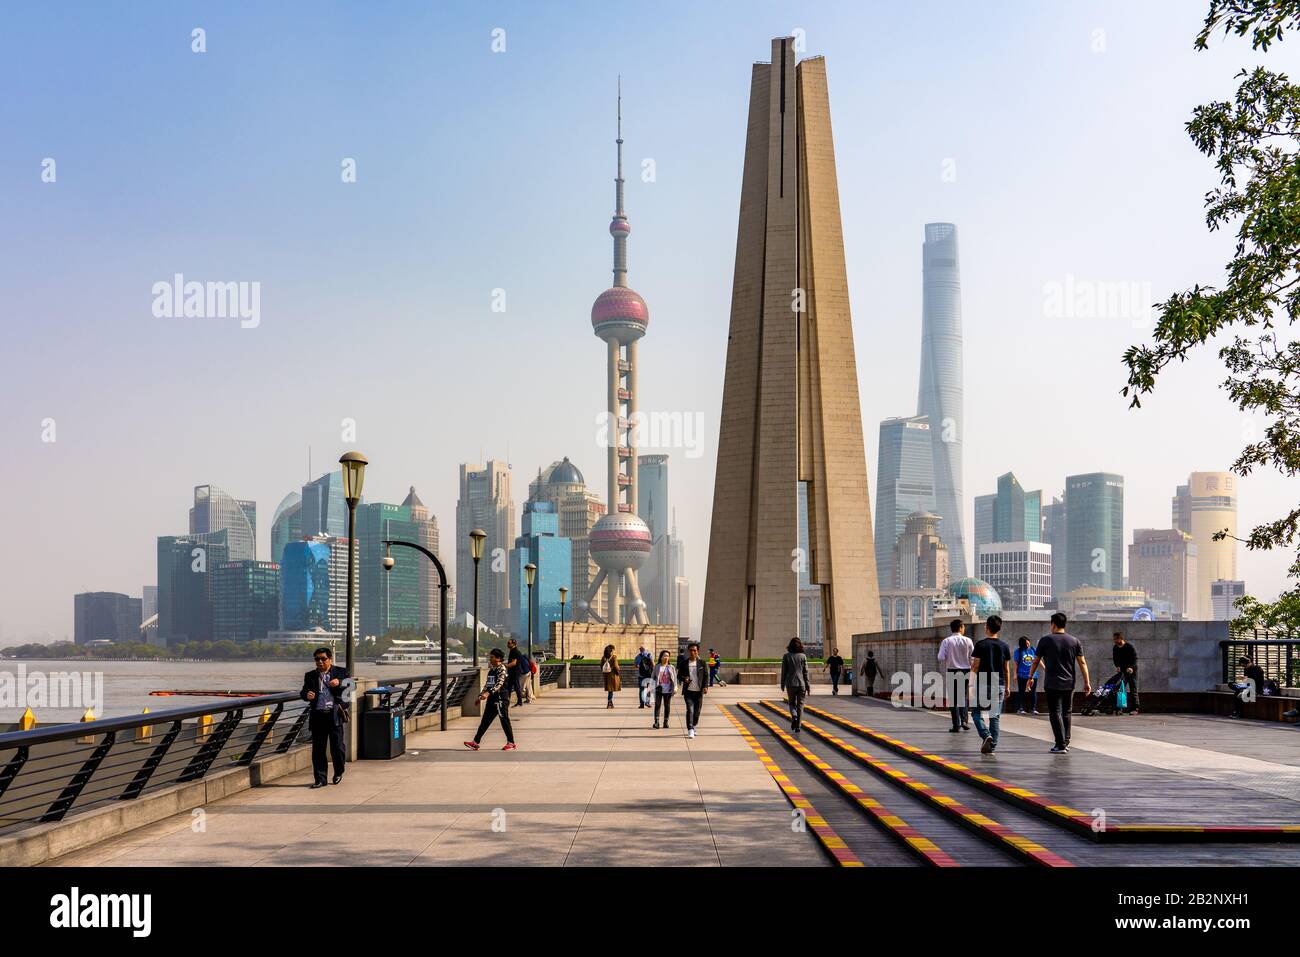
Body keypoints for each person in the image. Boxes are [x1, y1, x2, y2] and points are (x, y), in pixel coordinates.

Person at [1027, 612, 1092, 753]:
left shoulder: (1045, 640)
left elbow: (1036, 661)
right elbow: (1082, 662)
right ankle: (1066, 741)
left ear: (1053, 624)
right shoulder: (1075, 641)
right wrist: (1087, 682)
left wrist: (1030, 677)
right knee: (1067, 712)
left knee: (1054, 712)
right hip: (1069, 683)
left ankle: (1060, 744)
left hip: (1052, 683)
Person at [300, 647, 350, 788]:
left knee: (338, 747)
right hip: (318, 717)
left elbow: (351, 688)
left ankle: (339, 771)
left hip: (334, 716)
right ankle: (320, 779)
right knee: (318, 750)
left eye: (323, 659)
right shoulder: (310, 675)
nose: (320, 662)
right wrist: (306, 695)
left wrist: (340, 683)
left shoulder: (341, 672)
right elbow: (303, 692)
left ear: (330, 659)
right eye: (317, 659)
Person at [969, 616, 1012, 754]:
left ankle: (985, 734)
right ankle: (992, 746)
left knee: (976, 712)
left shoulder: (981, 645)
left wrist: (970, 685)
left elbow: (975, 666)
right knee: (995, 716)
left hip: (982, 683)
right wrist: (1007, 686)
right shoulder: (1004, 646)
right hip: (998, 684)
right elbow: (1006, 669)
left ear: (986, 627)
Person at [464, 649, 516, 751]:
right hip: (492, 700)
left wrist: (488, 693)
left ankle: (511, 743)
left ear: (499, 658)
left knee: (504, 720)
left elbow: (499, 684)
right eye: (490, 657)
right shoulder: (492, 670)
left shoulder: (502, 669)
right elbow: (488, 684)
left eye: (492, 657)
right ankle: (475, 742)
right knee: (485, 721)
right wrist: (481, 695)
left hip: (501, 699)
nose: (490, 659)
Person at [937, 619, 974, 732]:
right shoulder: (968, 640)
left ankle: (956, 725)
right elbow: (972, 658)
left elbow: (940, 657)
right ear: (961, 627)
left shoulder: (947, 641)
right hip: (965, 671)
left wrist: (950, 658)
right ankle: (964, 721)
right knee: (963, 696)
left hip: (952, 670)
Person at [781, 636, 813, 732]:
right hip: (801, 683)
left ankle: (794, 716)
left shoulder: (786, 656)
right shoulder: (803, 656)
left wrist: (782, 684)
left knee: (791, 703)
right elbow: (805, 672)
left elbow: (784, 672)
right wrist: (808, 686)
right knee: (800, 705)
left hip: (790, 683)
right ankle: (798, 726)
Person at [678, 642, 708, 738]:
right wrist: (684, 679)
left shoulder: (702, 663)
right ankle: (690, 728)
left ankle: (694, 725)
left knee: (697, 712)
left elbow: (706, 676)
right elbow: (679, 675)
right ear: (688, 651)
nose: (692, 652)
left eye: (694, 650)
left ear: (697, 652)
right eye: (691, 650)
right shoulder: (684, 663)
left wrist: (705, 686)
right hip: (688, 692)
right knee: (690, 710)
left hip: (699, 692)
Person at [1111, 631, 1140, 715]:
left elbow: (1135, 659)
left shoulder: (1129, 647)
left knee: (1133, 689)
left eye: (1116, 639)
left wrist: (1131, 667)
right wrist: (1118, 666)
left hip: (1132, 671)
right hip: (1123, 671)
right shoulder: (1115, 648)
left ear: (1121, 638)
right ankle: (1119, 708)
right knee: (1119, 689)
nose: (1115, 641)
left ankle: (1135, 708)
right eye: (1114, 639)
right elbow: (1115, 659)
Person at [651, 650, 677, 729]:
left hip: (668, 690)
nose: (666, 657)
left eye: (667, 656)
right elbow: (652, 677)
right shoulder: (657, 666)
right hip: (659, 689)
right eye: (664, 656)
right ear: (661, 657)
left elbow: (675, 679)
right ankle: (656, 722)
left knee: (667, 706)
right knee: (657, 705)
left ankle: (666, 722)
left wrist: (675, 688)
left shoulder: (671, 667)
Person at [1013, 637, 1039, 714]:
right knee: (1021, 692)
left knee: (1033, 692)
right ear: (1022, 644)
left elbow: (1038, 660)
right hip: (1022, 675)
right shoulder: (1018, 651)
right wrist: (1015, 674)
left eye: (1029, 642)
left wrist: (1045, 667)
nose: (1028, 644)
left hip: (1033, 675)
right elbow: (1016, 663)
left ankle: (1033, 709)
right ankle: (1020, 708)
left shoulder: (1033, 649)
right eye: (1026, 643)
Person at [506, 638, 527, 707]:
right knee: (509, 687)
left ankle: (519, 701)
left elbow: (514, 663)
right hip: (513, 672)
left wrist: (505, 666)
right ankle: (506, 701)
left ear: (513, 644)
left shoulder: (514, 651)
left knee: (516, 687)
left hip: (514, 672)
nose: (507, 644)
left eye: (509, 643)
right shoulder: (513, 651)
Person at [601, 644, 621, 708]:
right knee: (611, 690)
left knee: (610, 690)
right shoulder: (613, 657)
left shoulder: (603, 658)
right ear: (611, 650)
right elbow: (616, 666)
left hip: (606, 676)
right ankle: (609, 702)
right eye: (613, 650)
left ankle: (610, 703)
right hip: (612, 676)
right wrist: (618, 670)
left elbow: (601, 666)